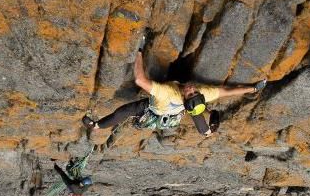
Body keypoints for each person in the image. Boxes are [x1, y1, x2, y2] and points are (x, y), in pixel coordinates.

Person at [82, 47, 267, 136]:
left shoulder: (167, 92)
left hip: (156, 110)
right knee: (200, 121)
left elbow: (140, 79)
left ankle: (96, 126)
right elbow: (228, 91)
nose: (191, 89)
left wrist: (139, 52)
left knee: (123, 112)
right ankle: (208, 131)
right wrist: (253, 88)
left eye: (189, 93)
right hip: (177, 112)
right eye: (195, 92)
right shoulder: (203, 94)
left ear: (184, 98)